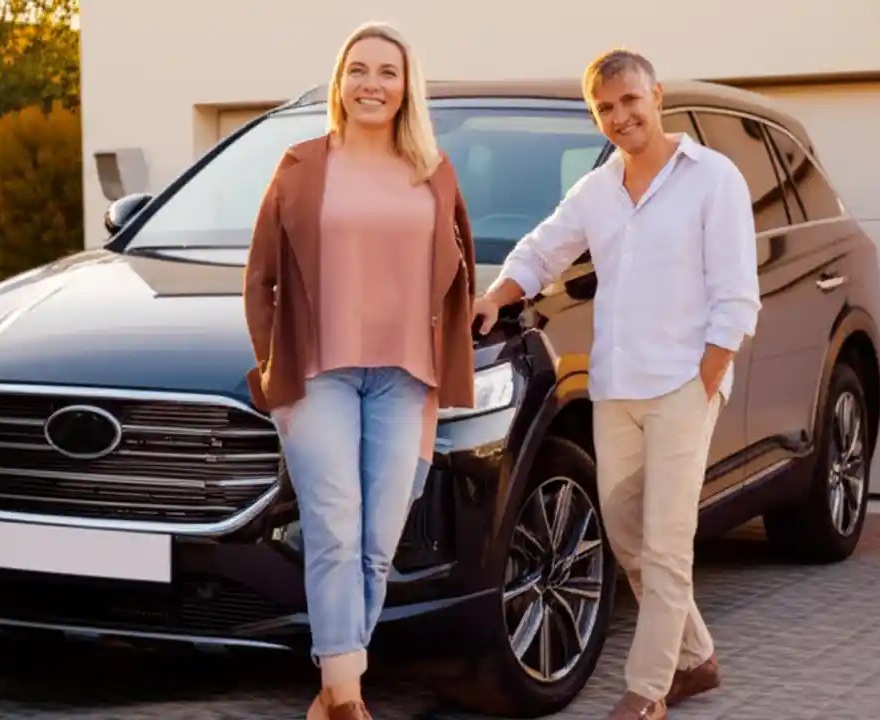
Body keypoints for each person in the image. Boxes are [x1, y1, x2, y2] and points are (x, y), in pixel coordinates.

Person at [473, 49, 760, 720]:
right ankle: (697, 658)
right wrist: (496, 296)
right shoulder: (597, 190)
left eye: (630, 100)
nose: (620, 116)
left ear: (656, 95)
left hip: (682, 388)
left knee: (664, 540)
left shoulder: (712, 179)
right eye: (605, 108)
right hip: (617, 389)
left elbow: (737, 294)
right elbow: (542, 250)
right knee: (628, 538)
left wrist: (708, 374)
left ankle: (648, 690)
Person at [242, 21, 477, 720]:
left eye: (388, 72)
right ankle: (348, 697)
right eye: (359, 70)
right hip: (320, 377)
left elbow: (458, 277)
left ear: (408, 89)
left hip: (405, 377)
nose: (373, 84)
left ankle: (331, 692)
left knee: (377, 543)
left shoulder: (434, 170)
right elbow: (259, 281)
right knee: (336, 529)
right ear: (341, 83)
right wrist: (273, 371)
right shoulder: (300, 164)